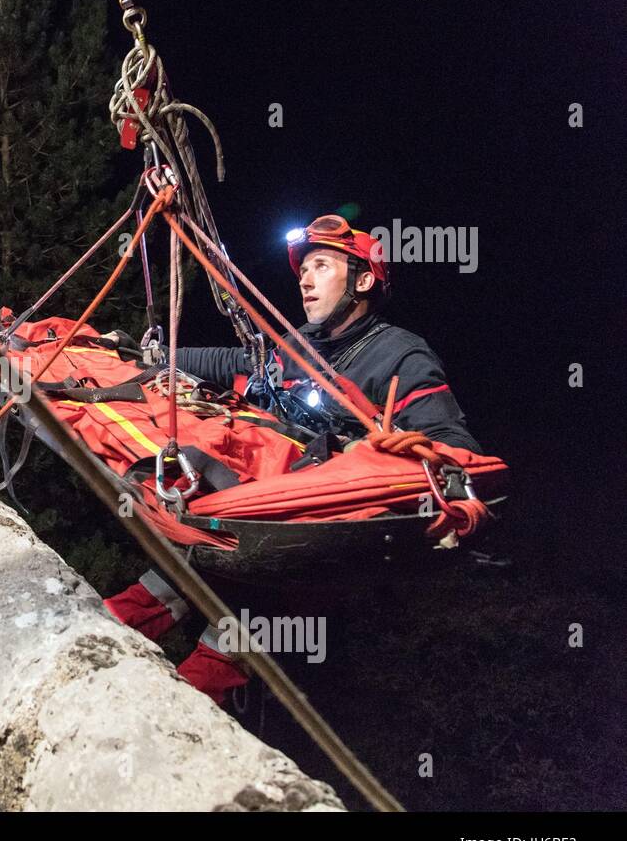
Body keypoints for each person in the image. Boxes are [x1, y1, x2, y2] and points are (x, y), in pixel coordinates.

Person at [105, 213, 482, 703]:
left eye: (321, 266)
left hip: (312, 538)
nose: (304, 279)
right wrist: (155, 356)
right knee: (169, 577)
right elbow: (235, 364)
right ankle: (104, 643)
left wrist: (401, 458)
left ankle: (181, 712)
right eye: (303, 269)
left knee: (220, 657)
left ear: (363, 280)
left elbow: (455, 446)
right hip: (255, 514)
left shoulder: (398, 356)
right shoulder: (299, 347)